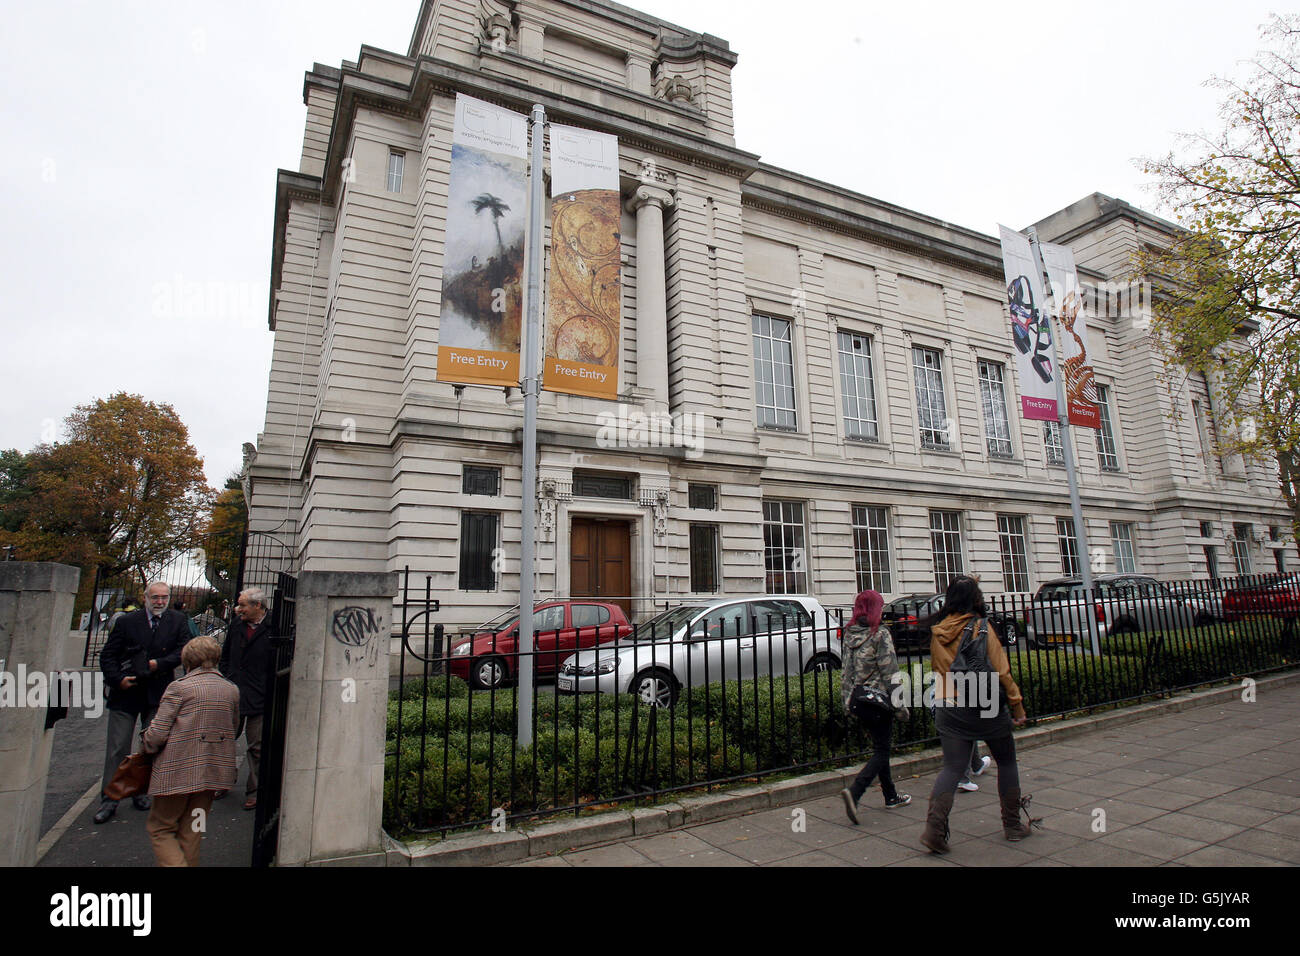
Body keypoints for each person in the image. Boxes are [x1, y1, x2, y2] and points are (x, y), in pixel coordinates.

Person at [918, 575, 1038, 853]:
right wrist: (1017, 705)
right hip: (985, 704)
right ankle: (1012, 826)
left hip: (949, 704)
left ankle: (933, 831)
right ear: (976, 599)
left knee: (952, 767)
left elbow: (939, 671)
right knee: (1006, 761)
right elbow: (1002, 671)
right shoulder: (982, 627)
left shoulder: (937, 632)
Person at [94, 582, 192, 824]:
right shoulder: (127, 622)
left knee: (150, 745)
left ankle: (140, 791)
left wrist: (160, 664)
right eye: (155, 597)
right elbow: (108, 655)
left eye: (164, 597)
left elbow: (184, 650)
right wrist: (117, 680)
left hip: (158, 690)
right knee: (118, 747)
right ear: (146, 598)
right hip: (127, 691)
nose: (160, 602)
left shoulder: (177, 621)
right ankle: (110, 797)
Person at [141, 635, 240, 866]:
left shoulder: (180, 688)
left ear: (188, 659)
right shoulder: (231, 689)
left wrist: (146, 746)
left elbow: (157, 733)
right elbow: (233, 728)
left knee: (161, 827)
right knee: (194, 828)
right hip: (212, 772)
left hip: (179, 769)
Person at [838, 589, 911, 824]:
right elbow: (891, 674)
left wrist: (847, 702)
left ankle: (890, 796)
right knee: (882, 751)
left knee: (881, 747)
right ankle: (855, 792)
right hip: (878, 702)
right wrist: (900, 707)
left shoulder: (849, 633)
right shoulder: (879, 634)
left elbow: (846, 672)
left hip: (859, 701)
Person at [218, 587, 274, 811]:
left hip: (260, 694)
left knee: (257, 746)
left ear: (258, 606)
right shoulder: (236, 625)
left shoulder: (274, 625)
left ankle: (254, 790)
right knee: (223, 740)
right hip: (234, 691)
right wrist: (227, 676)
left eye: (242, 605)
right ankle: (222, 781)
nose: (237, 609)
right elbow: (225, 654)